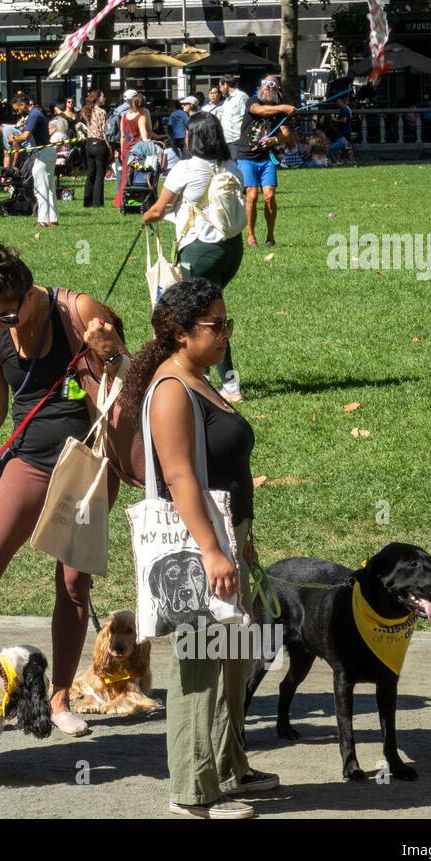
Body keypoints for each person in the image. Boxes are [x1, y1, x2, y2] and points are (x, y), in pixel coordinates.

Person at [0, 239, 128, 737]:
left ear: (30, 291)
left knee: (71, 581)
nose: (1, 326)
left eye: (8, 314)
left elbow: (131, 381)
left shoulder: (77, 309)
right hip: (29, 461)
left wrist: (110, 355)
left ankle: (59, 698)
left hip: (85, 464)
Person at [121, 277, 276, 818]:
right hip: (196, 554)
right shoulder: (171, 390)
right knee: (200, 669)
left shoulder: (200, 379)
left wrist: (241, 546)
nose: (225, 334)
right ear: (180, 332)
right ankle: (192, 793)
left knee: (233, 661)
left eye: (227, 324)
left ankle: (230, 767)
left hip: (229, 540)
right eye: (215, 326)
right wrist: (211, 552)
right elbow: (181, 477)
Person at [141, 113, 246, 402]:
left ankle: (227, 384)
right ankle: (210, 375)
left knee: (203, 318)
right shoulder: (232, 167)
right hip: (231, 250)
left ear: (195, 137)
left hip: (200, 251)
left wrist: (144, 218)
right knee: (212, 312)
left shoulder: (186, 168)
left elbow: (159, 210)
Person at [235, 78, 296, 247]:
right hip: (246, 157)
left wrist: (274, 140)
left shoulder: (280, 112)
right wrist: (283, 107)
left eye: (271, 85)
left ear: (277, 89)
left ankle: (270, 236)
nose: (267, 87)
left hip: (265, 159)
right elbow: (259, 111)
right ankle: (251, 236)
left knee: (269, 196)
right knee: (252, 195)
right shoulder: (253, 101)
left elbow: (285, 135)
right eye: (264, 83)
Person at [6, 95, 59, 227]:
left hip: (42, 153)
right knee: (50, 187)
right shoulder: (37, 113)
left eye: (17, 109)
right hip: (48, 152)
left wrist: (13, 138)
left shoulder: (33, 115)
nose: (17, 112)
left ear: (22, 104)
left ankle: (42, 220)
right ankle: (53, 219)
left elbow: (25, 136)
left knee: (40, 188)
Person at [113, 94, 151, 211]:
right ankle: (137, 198)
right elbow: (144, 137)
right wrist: (151, 146)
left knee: (125, 176)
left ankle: (120, 200)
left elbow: (122, 136)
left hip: (125, 150)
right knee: (137, 176)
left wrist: (122, 150)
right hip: (136, 152)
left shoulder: (124, 116)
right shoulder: (141, 117)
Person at [80, 89, 110, 208]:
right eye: (103, 96)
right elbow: (104, 132)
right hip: (99, 143)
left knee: (90, 173)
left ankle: (87, 201)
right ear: (97, 98)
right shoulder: (102, 112)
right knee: (99, 175)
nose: (105, 98)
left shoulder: (87, 110)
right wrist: (109, 147)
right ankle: (97, 202)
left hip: (89, 143)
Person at [216, 76, 249, 161]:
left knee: (237, 166)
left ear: (226, 85)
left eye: (220, 86)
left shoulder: (241, 96)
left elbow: (246, 117)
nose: (220, 89)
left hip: (237, 139)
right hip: (227, 139)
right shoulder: (227, 101)